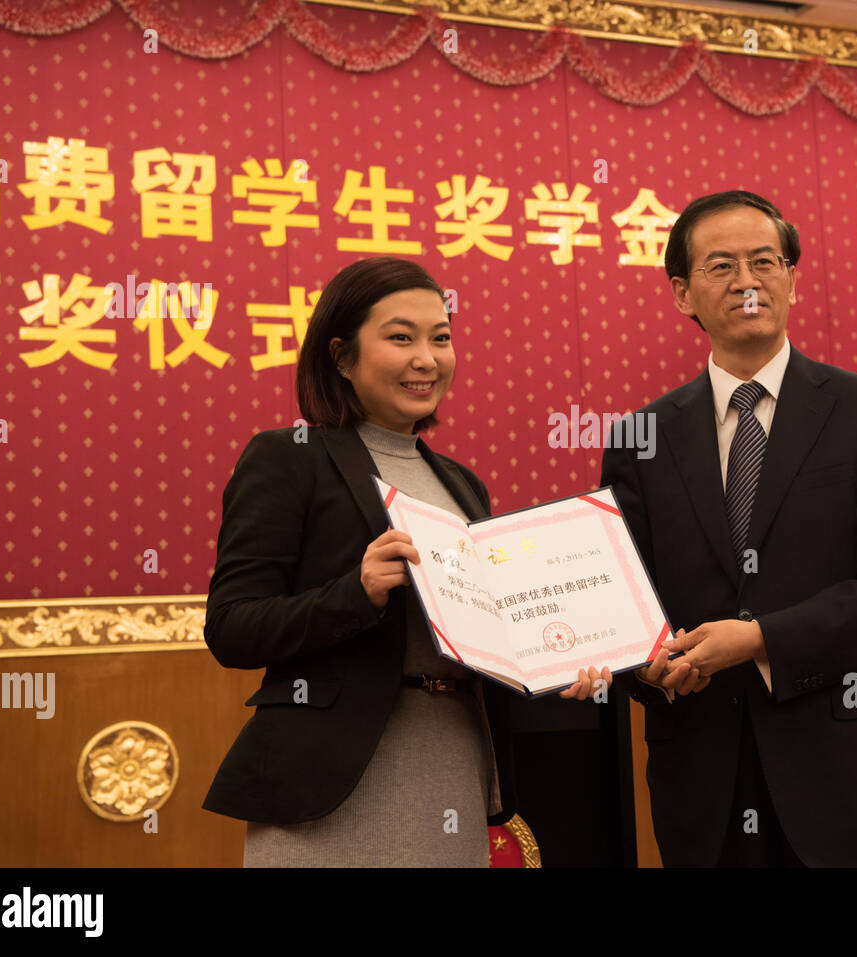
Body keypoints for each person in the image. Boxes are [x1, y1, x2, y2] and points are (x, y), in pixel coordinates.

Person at [202, 256, 609, 866]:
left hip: (453, 757)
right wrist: (356, 592)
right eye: (401, 338)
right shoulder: (290, 457)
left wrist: (561, 661)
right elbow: (232, 628)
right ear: (341, 356)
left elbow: (484, 638)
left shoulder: (463, 485)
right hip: (332, 782)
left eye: (441, 338)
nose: (428, 358)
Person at [601, 190, 857, 867]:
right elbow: (627, 605)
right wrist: (645, 668)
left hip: (853, 788)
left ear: (792, 277)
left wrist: (758, 639)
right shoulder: (640, 438)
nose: (747, 281)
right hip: (707, 795)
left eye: (765, 261)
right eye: (722, 266)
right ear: (682, 293)